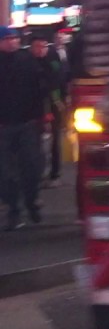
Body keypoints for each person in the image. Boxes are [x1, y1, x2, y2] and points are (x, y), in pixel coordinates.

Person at [0, 28, 47, 228]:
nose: (12, 42)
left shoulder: (27, 60)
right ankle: (14, 208)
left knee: (31, 166)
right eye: (8, 39)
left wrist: (41, 117)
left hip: (28, 122)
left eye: (14, 38)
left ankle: (31, 202)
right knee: (4, 171)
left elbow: (40, 88)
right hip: (4, 125)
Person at [31, 33, 68, 186]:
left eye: (43, 46)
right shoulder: (29, 62)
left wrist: (59, 101)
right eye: (37, 47)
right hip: (35, 107)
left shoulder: (53, 59)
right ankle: (38, 173)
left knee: (54, 140)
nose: (40, 50)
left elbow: (59, 80)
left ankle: (54, 173)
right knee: (36, 141)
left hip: (53, 105)